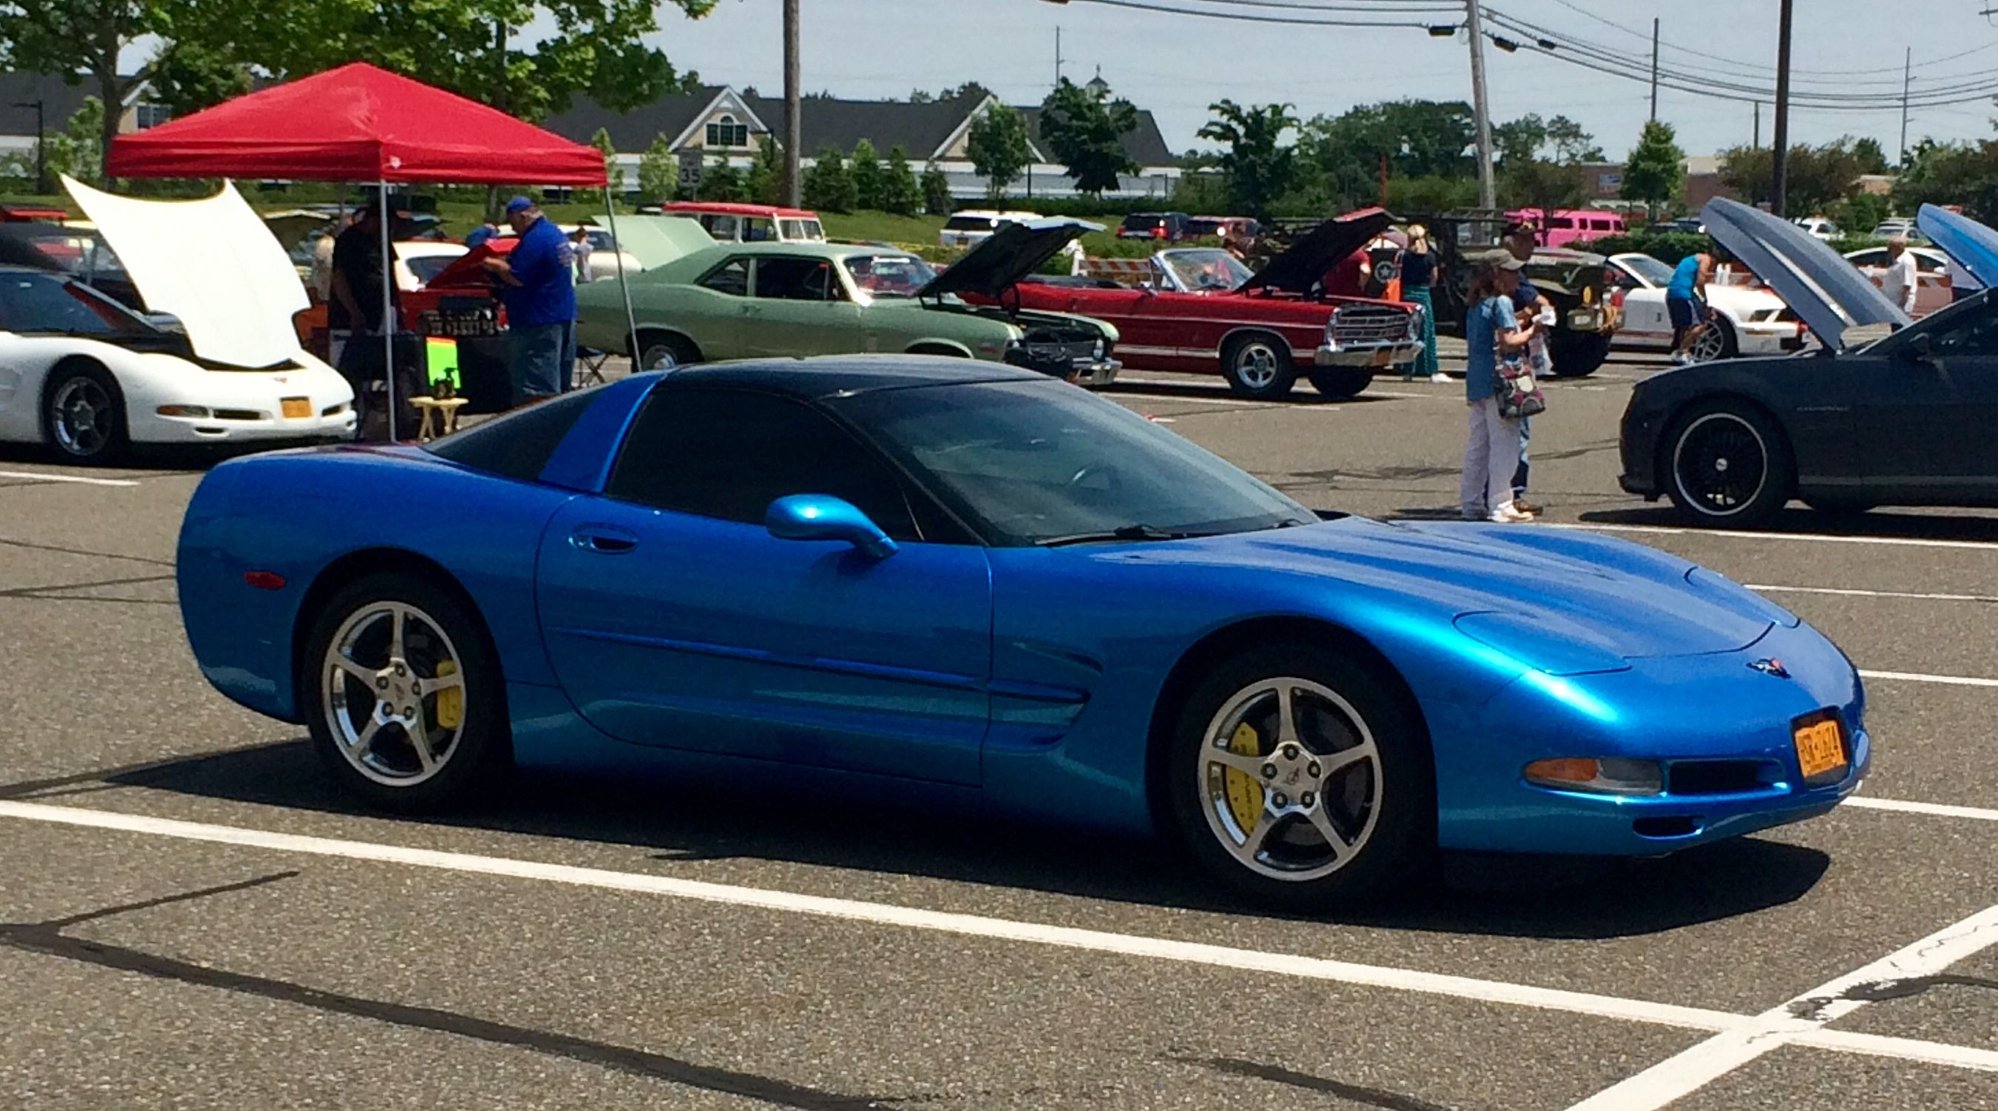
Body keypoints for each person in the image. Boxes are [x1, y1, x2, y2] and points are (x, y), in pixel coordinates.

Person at [1462, 251, 1536, 523]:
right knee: (1505, 443)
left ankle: (1471, 502)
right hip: (1500, 382)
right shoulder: (1502, 302)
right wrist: (1533, 330)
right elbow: (1508, 341)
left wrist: (1521, 321)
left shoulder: (1477, 304)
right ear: (1497, 274)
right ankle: (1501, 504)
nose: (1517, 276)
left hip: (1477, 380)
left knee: (1478, 445)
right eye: (1511, 271)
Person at [483, 196, 577, 398]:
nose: (513, 227)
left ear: (522, 215)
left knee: (535, 384)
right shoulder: (554, 234)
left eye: (512, 221)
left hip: (537, 320)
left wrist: (496, 265)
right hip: (561, 314)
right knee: (558, 380)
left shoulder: (535, 239)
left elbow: (517, 277)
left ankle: (539, 426)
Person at [328, 203, 396, 406]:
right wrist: (354, 311)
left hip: (377, 315)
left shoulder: (380, 241)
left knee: (372, 367)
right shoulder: (349, 241)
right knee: (348, 368)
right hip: (349, 318)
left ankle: (368, 406)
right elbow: (339, 278)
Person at [1398, 224, 1442, 383]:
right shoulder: (1430, 257)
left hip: (1406, 295)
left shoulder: (1404, 256)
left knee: (1409, 332)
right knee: (1427, 332)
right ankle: (1431, 370)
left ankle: (1408, 370)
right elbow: (1434, 278)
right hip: (1423, 294)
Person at [1666, 250, 1714, 366]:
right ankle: (1682, 352)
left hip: (1672, 293)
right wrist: (1705, 298)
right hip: (1684, 294)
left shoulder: (1687, 259)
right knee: (1701, 325)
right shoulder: (1705, 259)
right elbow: (1700, 281)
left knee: (1684, 325)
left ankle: (1681, 353)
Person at [1880, 236, 1919, 315]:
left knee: (1900, 326)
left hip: (1901, 301)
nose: (1889, 250)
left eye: (1891, 248)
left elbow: (1907, 284)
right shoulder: (1897, 259)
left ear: (1898, 248)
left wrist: (1901, 303)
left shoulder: (1906, 261)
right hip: (1893, 299)